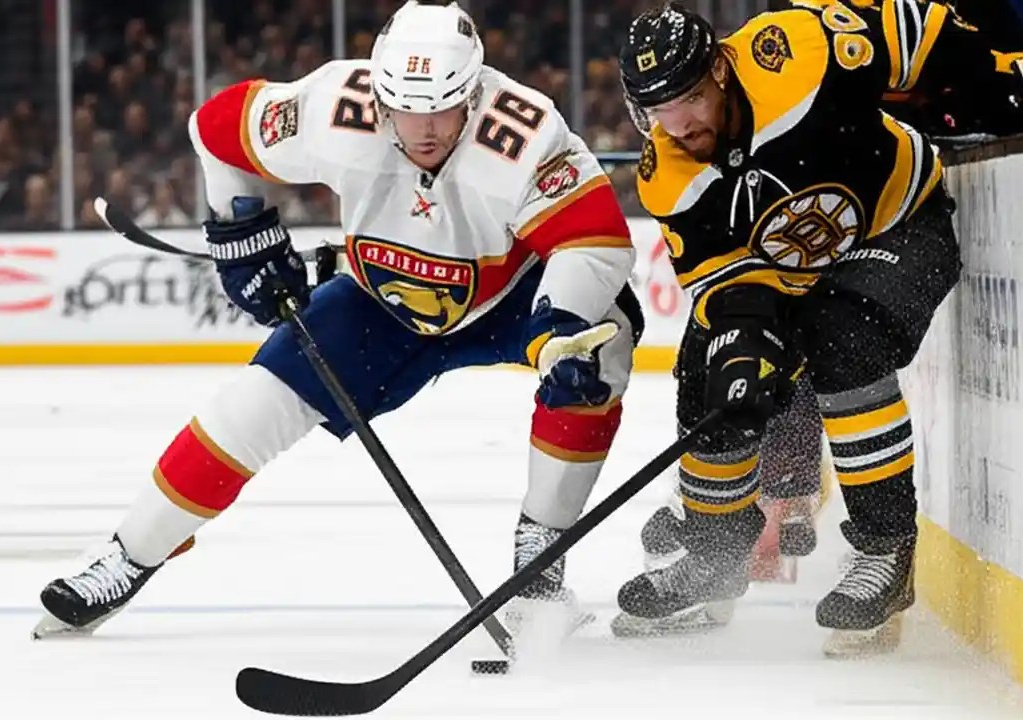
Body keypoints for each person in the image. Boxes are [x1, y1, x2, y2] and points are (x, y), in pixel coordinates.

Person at [33, 0, 641, 640]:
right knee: (251, 406)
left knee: (598, 348)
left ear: (474, 93)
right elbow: (215, 128)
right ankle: (129, 554)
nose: (424, 129)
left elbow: (595, 238)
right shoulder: (333, 109)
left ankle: (540, 562)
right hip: (380, 304)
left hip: (511, 298)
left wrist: (559, 325)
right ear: (378, 97)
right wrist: (242, 232)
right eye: (405, 108)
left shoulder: (524, 134)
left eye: (443, 108)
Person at [608, 0, 1023, 654]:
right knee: (709, 365)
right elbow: (728, 288)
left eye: (691, 99)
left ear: (720, 71)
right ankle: (714, 556)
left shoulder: (795, 51)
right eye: (659, 110)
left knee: (843, 333)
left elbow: (917, 32)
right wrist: (743, 352)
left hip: (900, 225)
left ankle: (883, 550)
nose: (680, 124)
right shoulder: (666, 177)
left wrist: (1016, 78)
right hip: (792, 274)